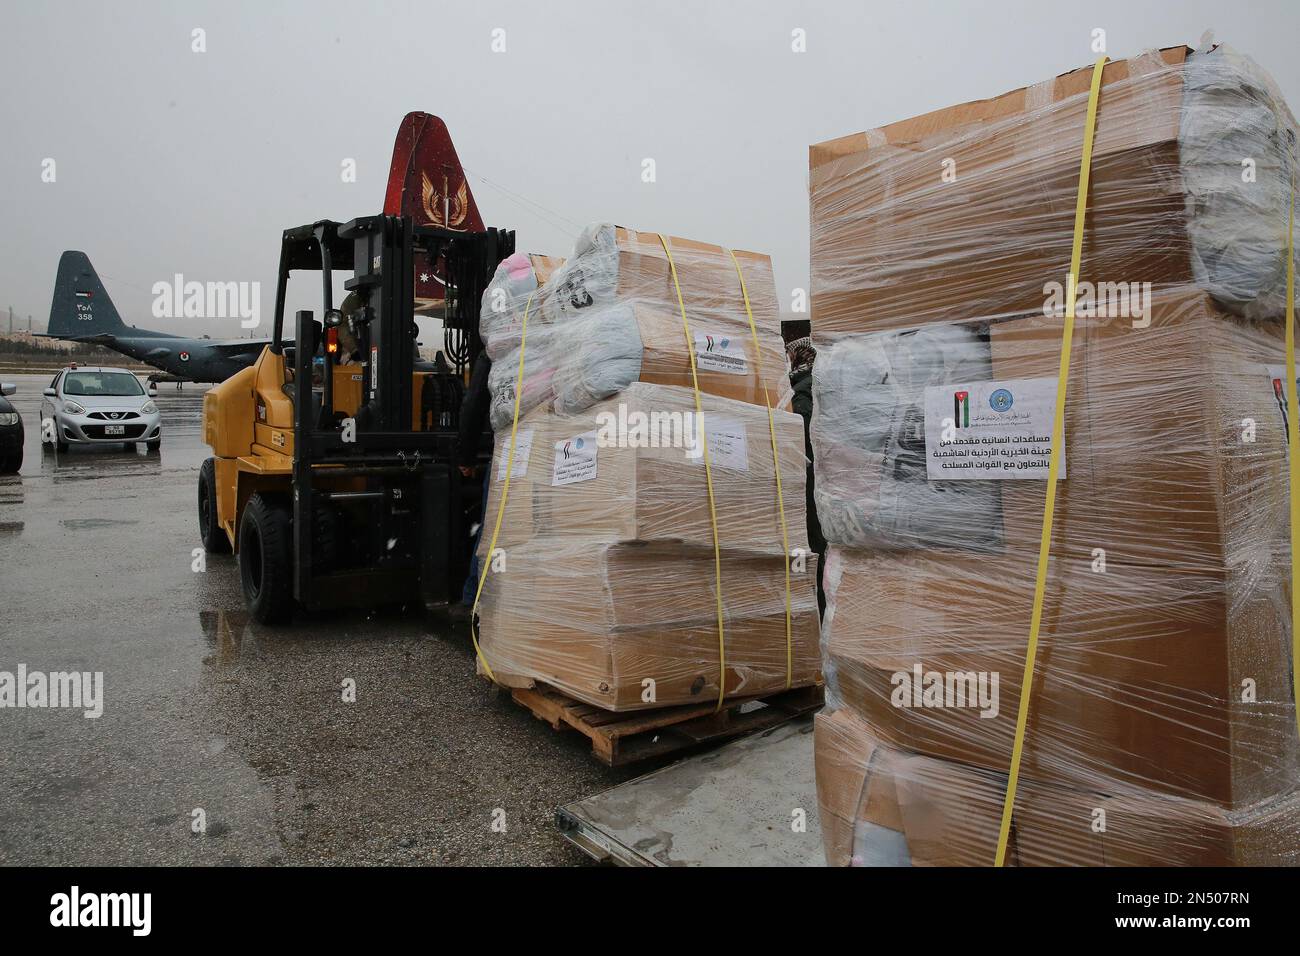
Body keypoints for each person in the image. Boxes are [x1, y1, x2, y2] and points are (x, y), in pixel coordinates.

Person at [787, 336, 826, 614]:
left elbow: (801, 441)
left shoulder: (802, 392)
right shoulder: (813, 387)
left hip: (809, 482)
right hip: (817, 481)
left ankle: (817, 608)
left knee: (813, 544)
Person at [455, 349, 493, 617]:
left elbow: (474, 403)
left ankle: (472, 597)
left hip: (510, 447)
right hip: (551, 443)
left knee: (492, 525)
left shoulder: (498, 348)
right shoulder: (550, 341)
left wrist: (465, 455)